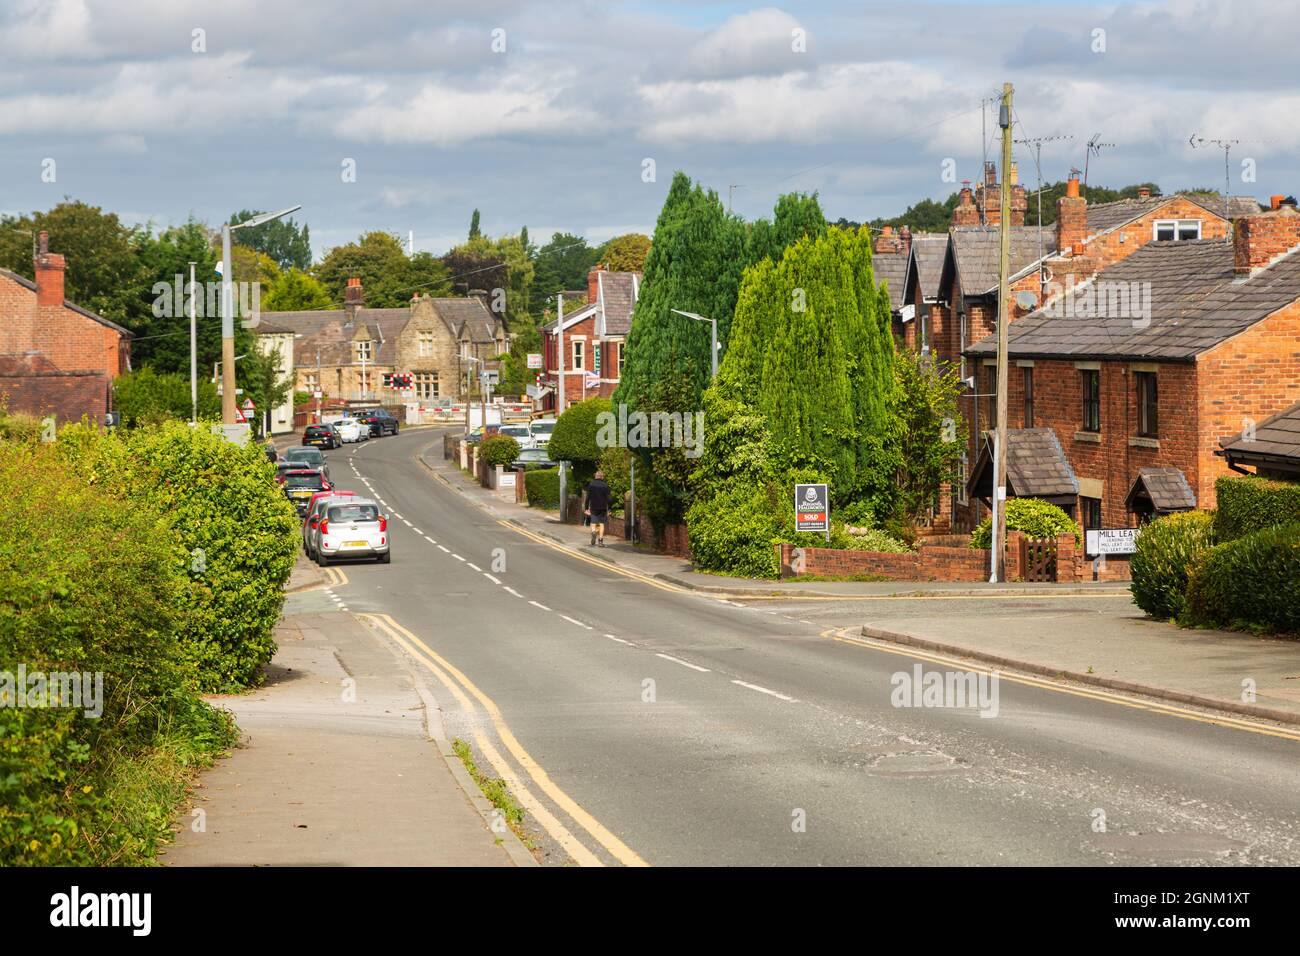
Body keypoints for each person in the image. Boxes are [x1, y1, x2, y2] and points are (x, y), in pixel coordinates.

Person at [584, 470, 612, 547]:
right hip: (603, 508)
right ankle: (600, 542)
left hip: (593, 507)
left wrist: (586, 508)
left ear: (595, 476)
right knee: (601, 524)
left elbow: (588, 497)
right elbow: (609, 499)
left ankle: (593, 532)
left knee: (593, 522)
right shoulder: (605, 485)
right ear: (602, 477)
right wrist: (609, 509)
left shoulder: (591, 484)